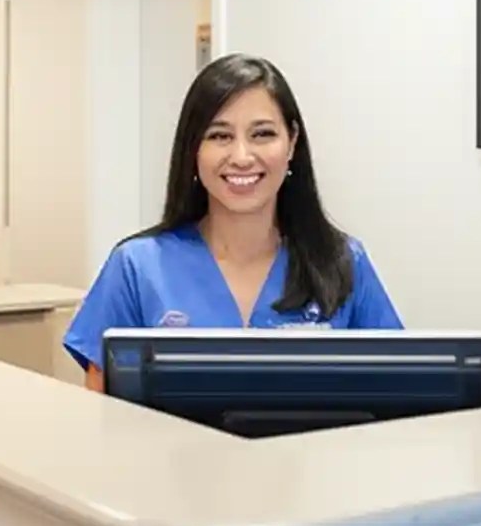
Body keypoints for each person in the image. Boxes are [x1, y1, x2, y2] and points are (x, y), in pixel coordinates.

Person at [63, 54, 403, 391]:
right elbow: (104, 417)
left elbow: (399, 393)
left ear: (292, 142)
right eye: (220, 136)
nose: (241, 157)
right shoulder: (137, 267)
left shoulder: (342, 262)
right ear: (193, 149)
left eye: (262, 134)